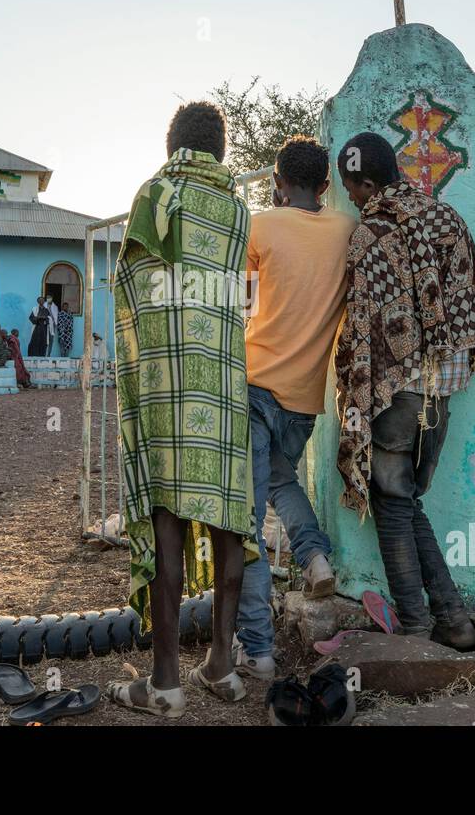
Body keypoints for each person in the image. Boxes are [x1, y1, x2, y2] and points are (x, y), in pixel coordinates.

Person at [106, 101, 255, 719]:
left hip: (170, 381)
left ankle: (164, 682)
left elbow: (133, 284)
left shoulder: (158, 192)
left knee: (167, 516)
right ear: (220, 150)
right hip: (224, 381)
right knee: (227, 514)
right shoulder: (239, 208)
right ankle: (222, 662)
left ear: (172, 146)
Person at [335, 131, 475, 650]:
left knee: (393, 504)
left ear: (364, 182)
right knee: (407, 502)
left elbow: (362, 328)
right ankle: (452, 620)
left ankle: (414, 624)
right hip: (440, 396)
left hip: (395, 397)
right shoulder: (445, 218)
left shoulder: (370, 235)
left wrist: (359, 395)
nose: (352, 199)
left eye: (352, 189)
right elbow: (471, 295)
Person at [234, 135, 358, 679]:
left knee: (246, 521)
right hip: (305, 399)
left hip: (256, 382)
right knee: (282, 481)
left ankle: (257, 651)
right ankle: (314, 556)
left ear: (278, 183)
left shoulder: (261, 226)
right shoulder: (346, 229)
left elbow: (239, 294)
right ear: (327, 185)